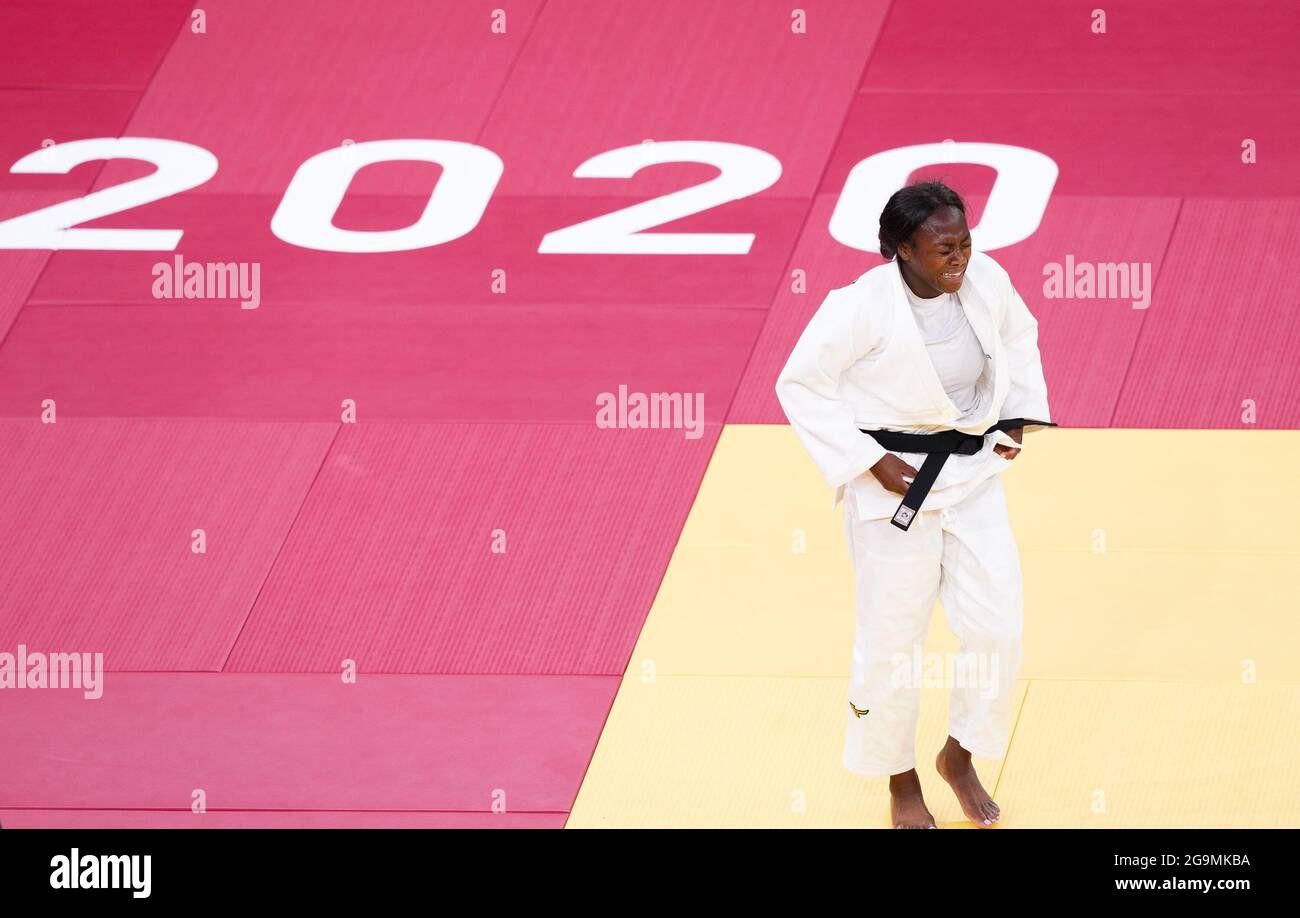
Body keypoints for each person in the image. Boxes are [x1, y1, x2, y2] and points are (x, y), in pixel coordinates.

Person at [774, 180, 1054, 828]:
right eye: (942, 248)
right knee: (892, 644)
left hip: (971, 473)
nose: (959, 258)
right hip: (890, 490)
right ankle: (900, 782)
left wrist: (1014, 415)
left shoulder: (985, 281)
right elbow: (801, 383)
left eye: (964, 242)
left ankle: (959, 755)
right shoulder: (859, 307)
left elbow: (1018, 337)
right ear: (903, 248)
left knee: (998, 629)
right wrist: (868, 459)